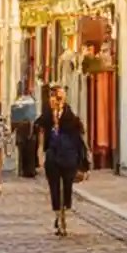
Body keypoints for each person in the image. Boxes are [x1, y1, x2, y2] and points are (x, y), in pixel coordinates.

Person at [35, 86, 89, 236]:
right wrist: (40, 154)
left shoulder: (70, 117)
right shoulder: (46, 116)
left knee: (66, 187)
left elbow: (79, 139)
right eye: (53, 96)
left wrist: (82, 162)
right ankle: (58, 217)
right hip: (52, 154)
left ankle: (64, 215)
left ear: (64, 98)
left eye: (59, 97)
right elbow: (41, 134)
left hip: (68, 155)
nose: (56, 100)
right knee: (54, 187)